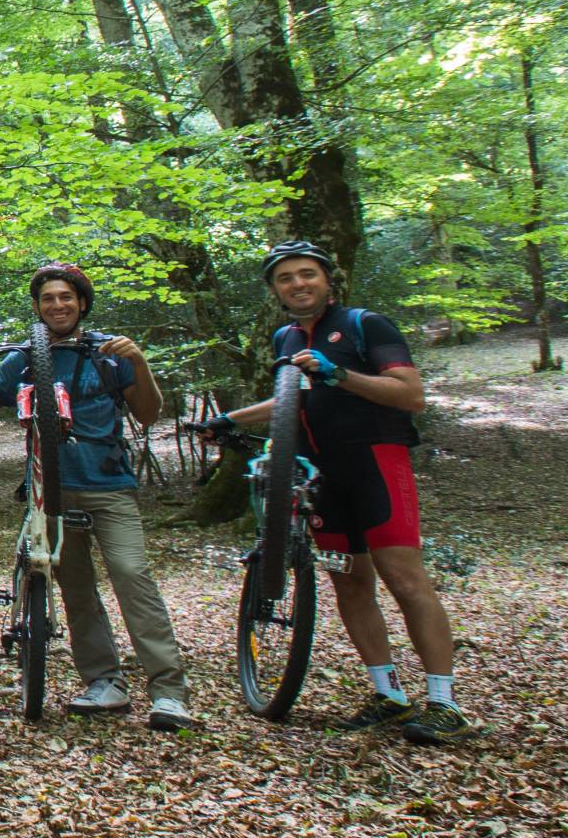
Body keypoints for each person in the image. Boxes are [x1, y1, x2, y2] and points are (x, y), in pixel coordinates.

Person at [199, 240, 467, 744]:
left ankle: (444, 702)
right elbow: (291, 400)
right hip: (321, 476)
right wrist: (226, 420)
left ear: (327, 279)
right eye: (285, 278)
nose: (298, 284)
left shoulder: (368, 324)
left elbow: (411, 395)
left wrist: (340, 373)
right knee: (350, 584)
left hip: (376, 464)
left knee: (406, 581)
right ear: (275, 290)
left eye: (307, 275)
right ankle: (388, 694)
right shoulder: (285, 338)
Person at [0, 262, 194, 732]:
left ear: (82, 302)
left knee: (132, 577)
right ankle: (104, 683)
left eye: (66, 297)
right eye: (47, 299)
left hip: (109, 485)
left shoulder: (108, 351)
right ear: (38, 307)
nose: (57, 306)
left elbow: (147, 413)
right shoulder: (24, 356)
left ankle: (168, 691)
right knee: (76, 588)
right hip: (50, 491)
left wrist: (139, 361)